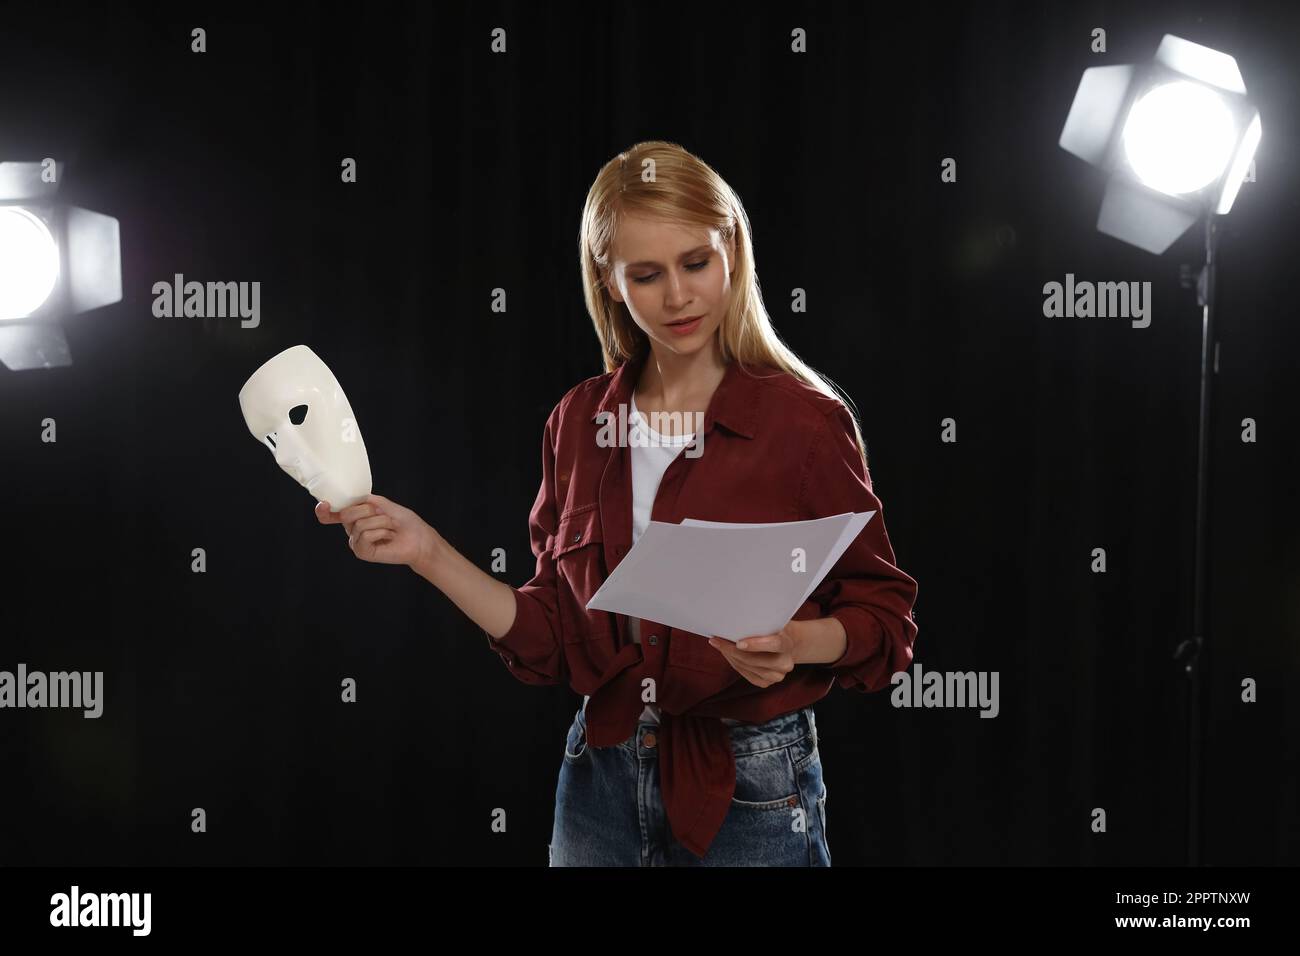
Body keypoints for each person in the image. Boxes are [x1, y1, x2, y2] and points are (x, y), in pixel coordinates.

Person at [316, 140, 919, 866]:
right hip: (598, 773)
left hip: (755, 781)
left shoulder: (806, 422)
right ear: (609, 281)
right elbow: (549, 639)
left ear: (732, 249)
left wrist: (797, 643)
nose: (679, 296)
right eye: (646, 274)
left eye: (697, 262)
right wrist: (427, 553)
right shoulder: (577, 423)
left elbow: (883, 621)